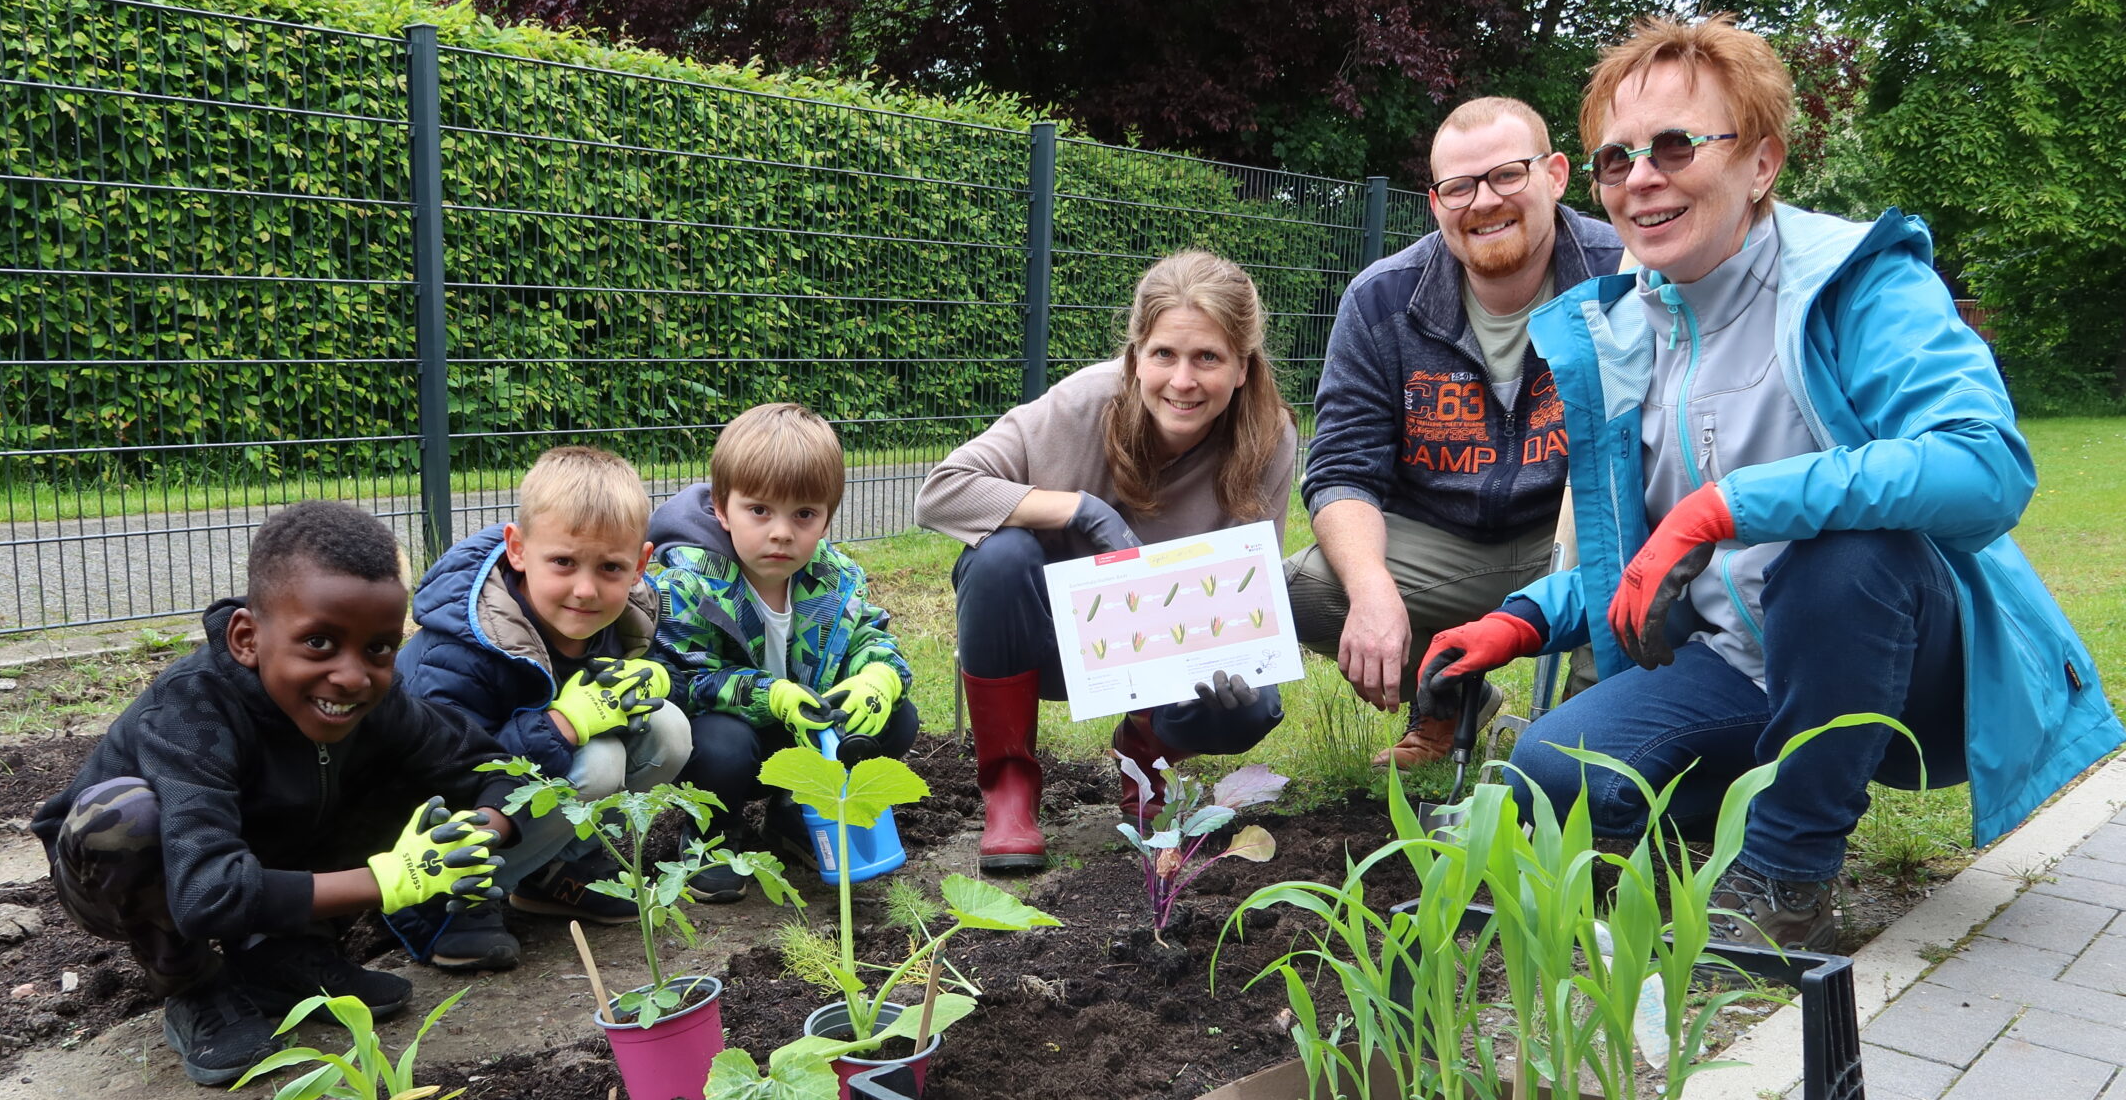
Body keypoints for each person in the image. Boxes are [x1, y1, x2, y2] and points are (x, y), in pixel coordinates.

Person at [1424, 15, 2123, 951]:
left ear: (1761, 164)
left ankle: (1787, 874)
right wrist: (1521, 620)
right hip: (1736, 660)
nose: (1640, 178)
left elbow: (1985, 465)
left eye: (1676, 145)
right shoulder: (1633, 331)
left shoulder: (1858, 282)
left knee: (1843, 556)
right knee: (1551, 768)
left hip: (1904, 650)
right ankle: (1713, 819)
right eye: (1614, 159)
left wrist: (1729, 505)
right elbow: (1647, 561)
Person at [29, 502, 561, 1087]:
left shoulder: (378, 702)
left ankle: (286, 957)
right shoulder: (191, 711)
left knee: (396, 768)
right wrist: (392, 879)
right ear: (246, 638)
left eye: (379, 648)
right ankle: (193, 985)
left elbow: (503, 773)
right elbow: (204, 893)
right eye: (319, 643)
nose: (353, 675)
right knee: (125, 818)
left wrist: (476, 833)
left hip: (257, 851)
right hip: (126, 872)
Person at [918, 248, 1297, 873]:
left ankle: (1150, 757)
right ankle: (1010, 788)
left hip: (1168, 650)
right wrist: (1082, 512)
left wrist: (1229, 660)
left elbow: (1243, 585)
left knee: (1253, 704)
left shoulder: (1269, 437)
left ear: (1241, 368)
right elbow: (940, 491)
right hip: (1047, 646)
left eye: (1208, 357)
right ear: (1135, 357)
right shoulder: (1077, 408)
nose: (1183, 380)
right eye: (1164, 355)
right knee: (1000, 554)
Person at [1289, 96, 1626, 767]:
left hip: (1577, 534)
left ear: (1555, 174)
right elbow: (1341, 470)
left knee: (1625, 572)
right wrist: (1374, 590)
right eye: (1459, 186)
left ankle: (1571, 743)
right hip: (1441, 540)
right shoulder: (1381, 300)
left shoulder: (1623, 275)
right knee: (1307, 589)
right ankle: (1449, 698)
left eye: (1508, 175)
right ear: (1435, 201)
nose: (1484, 202)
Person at [393, 445, 693, 967]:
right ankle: (453, 905)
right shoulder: (462, 648)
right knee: (598, 763)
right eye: (563, 562)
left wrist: (659, 678)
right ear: (517, 549)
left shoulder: (625, 618)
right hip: (428, 826)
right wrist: (563, 723)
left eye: (610, 567)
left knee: (667, 726)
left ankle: (561, 872)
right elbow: (445, 773)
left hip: (524, 788)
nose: (585, 589)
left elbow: (668, 683)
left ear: (641, 565)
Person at [651, 402, 917, 896]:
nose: (781, 532)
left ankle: (795, 811)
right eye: (759, 511)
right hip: (728, 743)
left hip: (805, 733)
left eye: (804, 515)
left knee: (898, 718)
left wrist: (878, 677)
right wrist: (769, 694)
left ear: (827, 518)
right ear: (722, 508)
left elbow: (872, 639)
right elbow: (686, 681)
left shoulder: (833, 578)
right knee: (721, 747)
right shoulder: (690, 581)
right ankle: (711, 834)